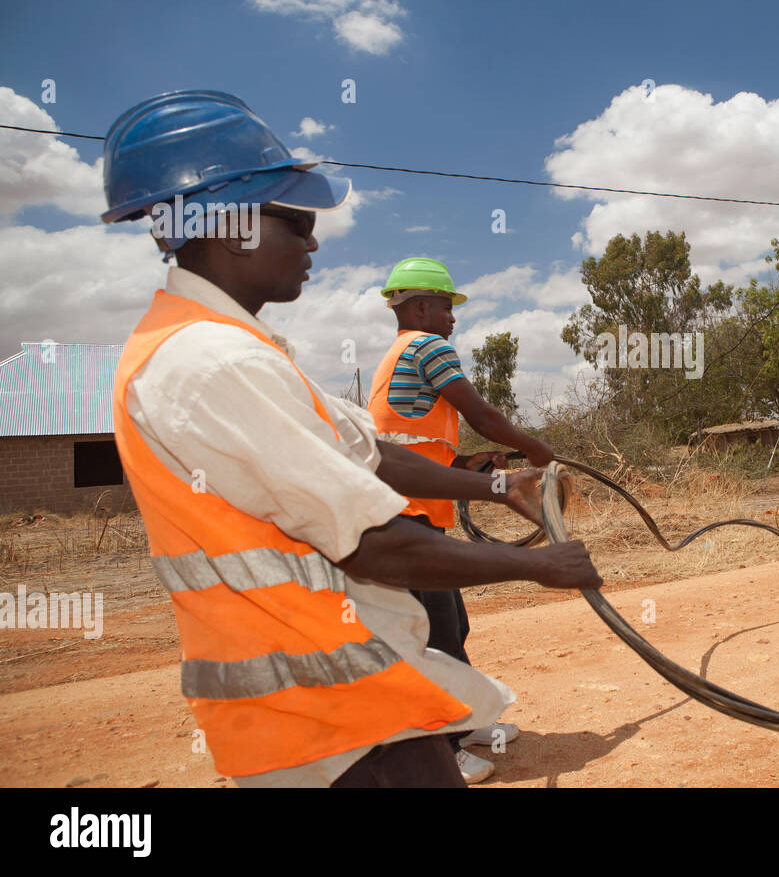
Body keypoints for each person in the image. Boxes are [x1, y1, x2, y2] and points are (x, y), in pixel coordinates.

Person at [101, 91, 600, 788]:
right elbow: (371, 541)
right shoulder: (213, 361)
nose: (312, 242)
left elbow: (369, 451)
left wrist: (496, 483)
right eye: (296, 221)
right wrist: (538, 567)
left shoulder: (230, 347)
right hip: (316, 715)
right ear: (231, 224)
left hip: (345, 698)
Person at [367, 257, 555, 783]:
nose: (453, 319)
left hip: (412, 512)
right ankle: (440, 751)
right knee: (432, 637)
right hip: (404, 517)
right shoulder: (428, 346)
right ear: (421, 306)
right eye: (448, 308)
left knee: (451, 625)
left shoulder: (395, 358)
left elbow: (417, 447)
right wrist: (534, 446)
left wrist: (470, 466)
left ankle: (465, 721)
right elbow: (482, 415)